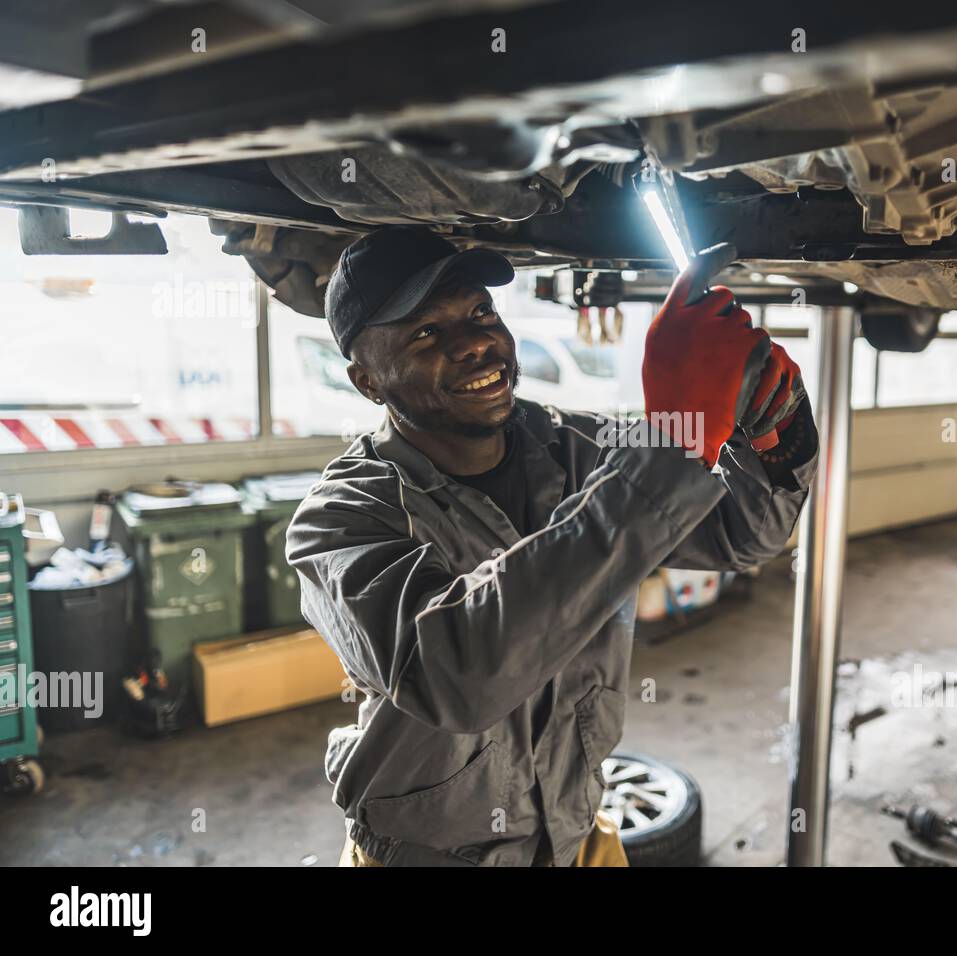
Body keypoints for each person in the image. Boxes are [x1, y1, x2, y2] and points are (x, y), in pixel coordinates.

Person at [286, 225, 818, 866]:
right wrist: (675, 442)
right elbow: (456, 676)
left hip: (577, 837)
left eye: (481, 311)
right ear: (368, 380)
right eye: (427, 331)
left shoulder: (576, 447)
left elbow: (743, 534)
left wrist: (773, 426)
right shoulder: (340, 520)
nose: (476, 342)